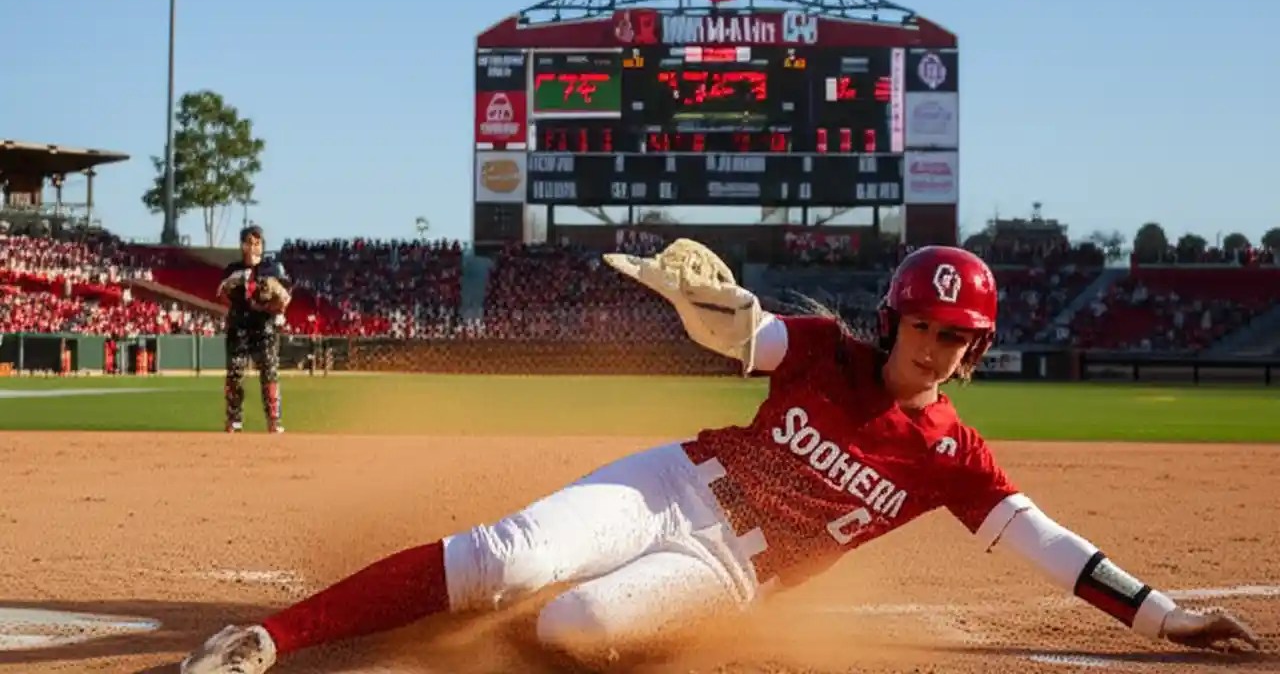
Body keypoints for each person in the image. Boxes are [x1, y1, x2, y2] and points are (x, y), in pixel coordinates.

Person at [181, 241, 1259, 673]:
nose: (935, 347)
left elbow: (1044, 544)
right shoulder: (827, 351)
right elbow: (746, 338)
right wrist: (710, 304)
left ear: (973, 352)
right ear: (893, 322)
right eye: (923, 327)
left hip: (732, 570)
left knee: (573, 624)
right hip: (669, 486)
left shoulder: (950, 454)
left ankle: (492, 637)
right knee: (502, 554)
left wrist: (1163, 616)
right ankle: (269, 641)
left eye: (957, 339)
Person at [216, 225, 292, 434]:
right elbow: (221, 296)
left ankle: (274, 420)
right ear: (242, 245)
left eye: (257, 242)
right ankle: (234, 420)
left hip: (264, 326)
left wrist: (271, 306)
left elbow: (285, 298)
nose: (253, 246)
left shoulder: (273, 268)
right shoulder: (232, 270)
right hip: (238, 324)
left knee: (269, 372)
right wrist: (230, 288)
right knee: (235, 372)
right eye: (249, 241)